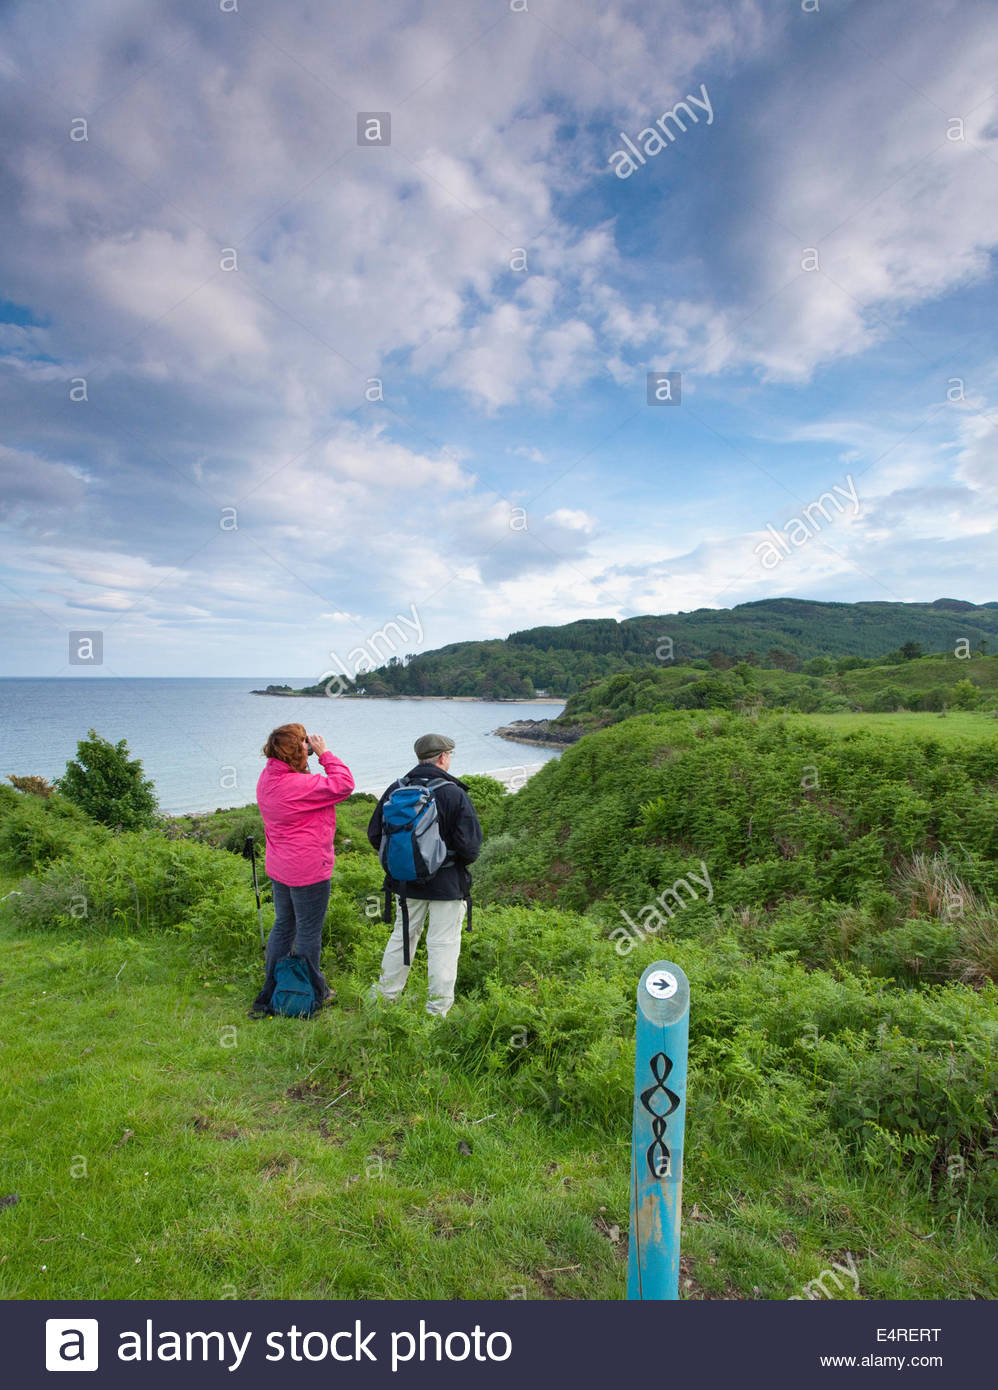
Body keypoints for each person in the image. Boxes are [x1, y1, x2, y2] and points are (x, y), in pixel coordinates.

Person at [368, 733, 482, 1017]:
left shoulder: (397, 788)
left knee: (402, 937)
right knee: (442, 945)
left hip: (405, 883)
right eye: (450, 755)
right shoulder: (454, 793)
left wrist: (406, 862)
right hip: (446, 885)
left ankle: (384, 999)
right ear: (443, 757)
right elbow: (471, 848)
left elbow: (374, 835)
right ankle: (436, 1012)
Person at [249, 722, 354, 1017]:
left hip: (280, 866)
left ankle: (272, 984)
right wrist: (325, 754)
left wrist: (303, 757)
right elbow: (344, 784)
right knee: (308, 931)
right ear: (298, 752)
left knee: (284, 924)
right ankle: (314, 991)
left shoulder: (267, 778)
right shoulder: (298, 785)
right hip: (308, 869)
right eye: (303, 745)